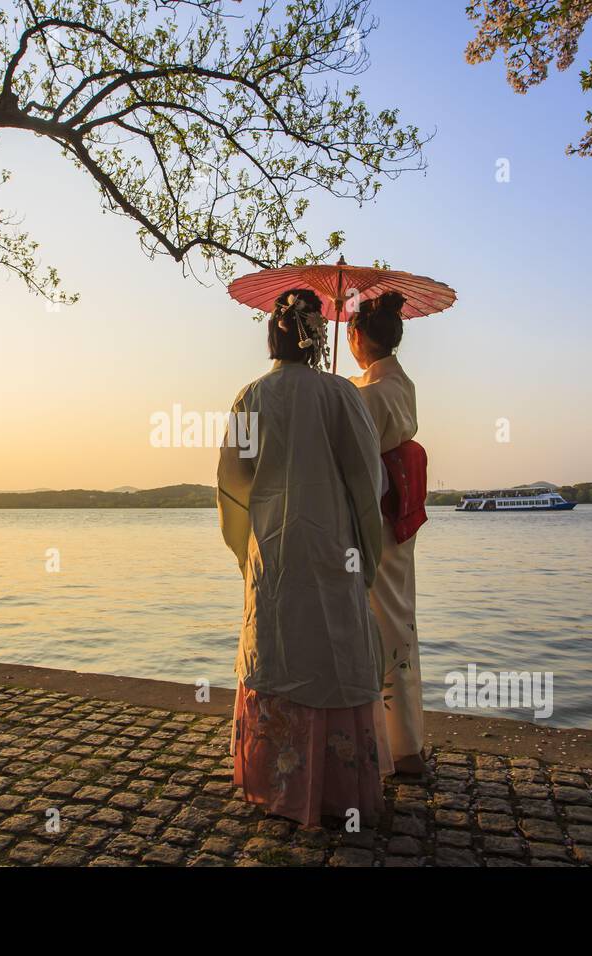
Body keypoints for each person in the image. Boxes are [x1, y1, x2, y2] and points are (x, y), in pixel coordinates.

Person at [217, 288, 391, 827]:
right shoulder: (341, 394)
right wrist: (370, 545)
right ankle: (340, 789)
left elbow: (232, 485)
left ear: (273, 335)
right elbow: (368, 478)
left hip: (272, 544)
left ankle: (276, 782)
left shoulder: (249, 397)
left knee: (278, 644)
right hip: (333, 544)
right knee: (332, 646)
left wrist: (245, 546)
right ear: (318, 339)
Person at [347, 291, 427, 774]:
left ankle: (383, 746)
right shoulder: (399, 385)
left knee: (374, 621)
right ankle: (407, 743)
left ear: (357, 336)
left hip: (373, 514)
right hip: (397, 513)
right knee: (400, 618)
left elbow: (351, 457)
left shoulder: (369, 395)